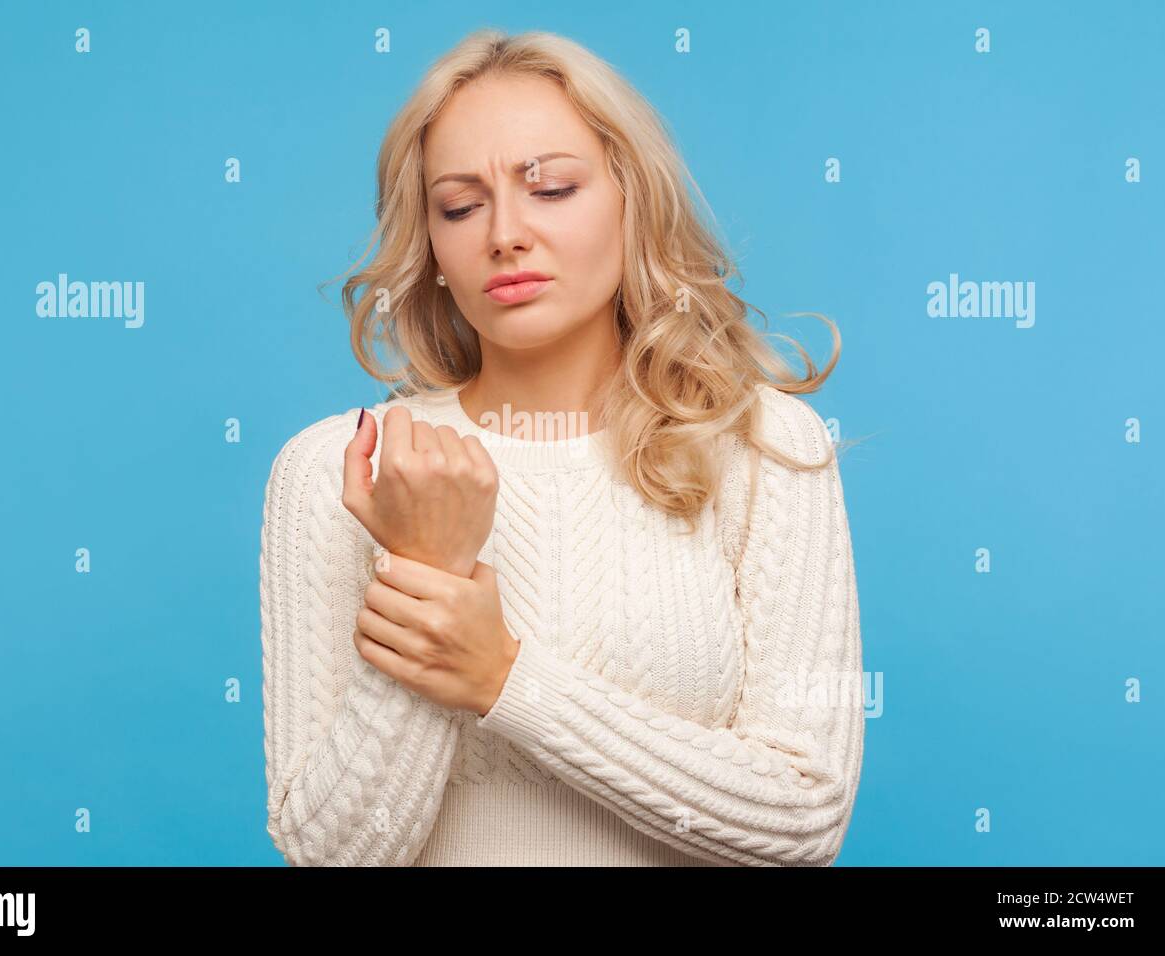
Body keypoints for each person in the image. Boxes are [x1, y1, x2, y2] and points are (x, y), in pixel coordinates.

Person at [260, 28, 864, 866]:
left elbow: (802, 817)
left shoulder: (758, 448)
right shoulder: (346, 472)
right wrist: (428, 567)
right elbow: (331, 854)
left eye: (550, 188)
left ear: (631, 198)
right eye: (461, 205)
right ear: (430, 242)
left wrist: (505, 679)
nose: (505, 233)